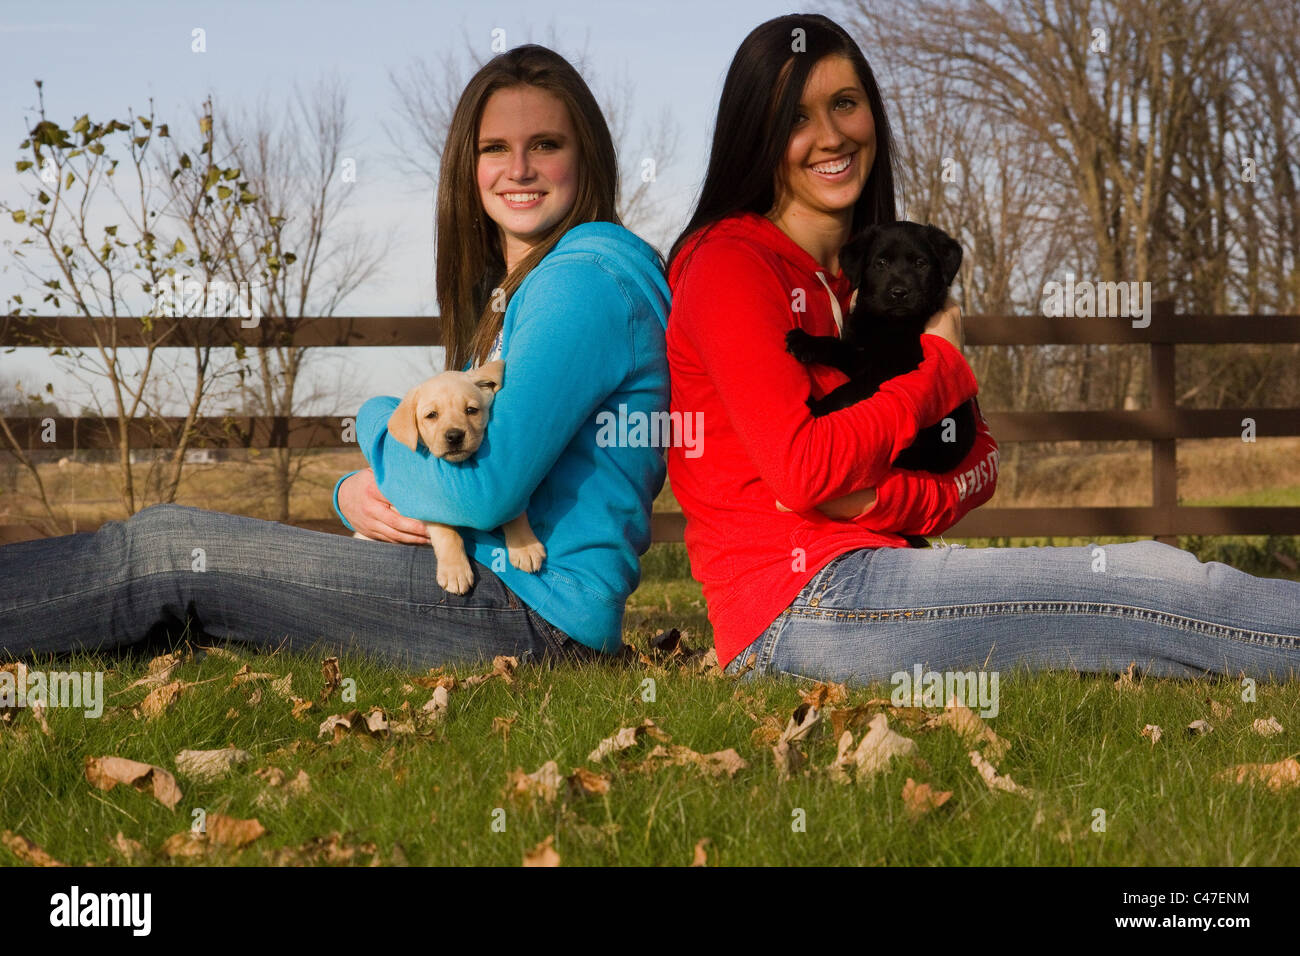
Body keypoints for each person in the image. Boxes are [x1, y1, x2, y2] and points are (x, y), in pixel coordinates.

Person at [665, 13, 1300, 686]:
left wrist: (879, 502)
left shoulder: (873, 278)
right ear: (757, 136)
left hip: (877, 569)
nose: (830, 135)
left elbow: (979, 466)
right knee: (1147, 584)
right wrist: (941, 367)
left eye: (845, 104)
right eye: (796, 118)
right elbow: (805, 473)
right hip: (802, 606)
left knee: (1148, 572)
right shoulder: (729, 265)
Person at [0, 45, 670, 671]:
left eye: (545, 145)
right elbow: (452, 470)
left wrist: (383, 418)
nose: (518, 169)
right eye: (495, 147)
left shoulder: (582, 283)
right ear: (468, 167)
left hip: (530, 616)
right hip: (493, 588)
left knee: (168, 550)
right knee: (172, 553)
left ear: (587, 157)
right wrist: (350, 494)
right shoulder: (520, 291)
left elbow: (490, 487)